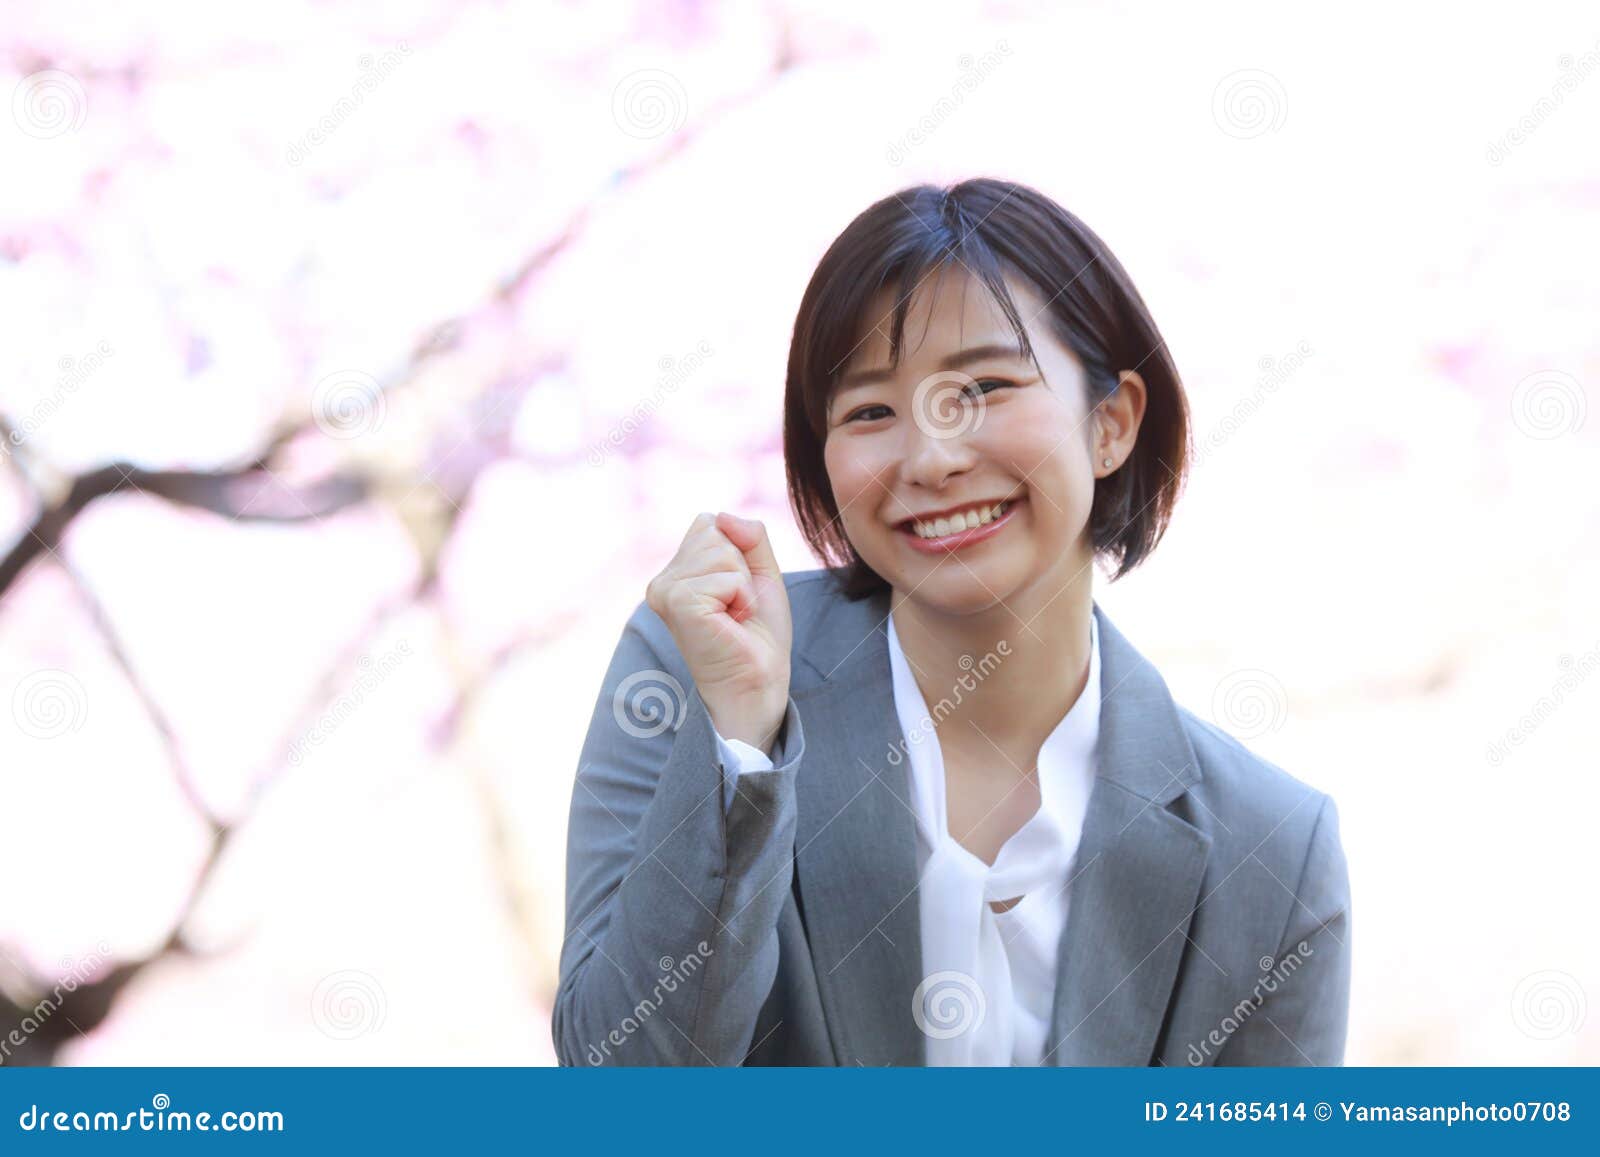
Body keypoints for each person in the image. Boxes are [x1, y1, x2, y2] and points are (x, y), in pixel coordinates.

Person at [553, 178, 1351, 1067]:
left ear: (1113, 422)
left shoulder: (1270, 852)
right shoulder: (697, 666)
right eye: (869, 411)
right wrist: (741, 750)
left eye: (982, 387)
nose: (931, 458)